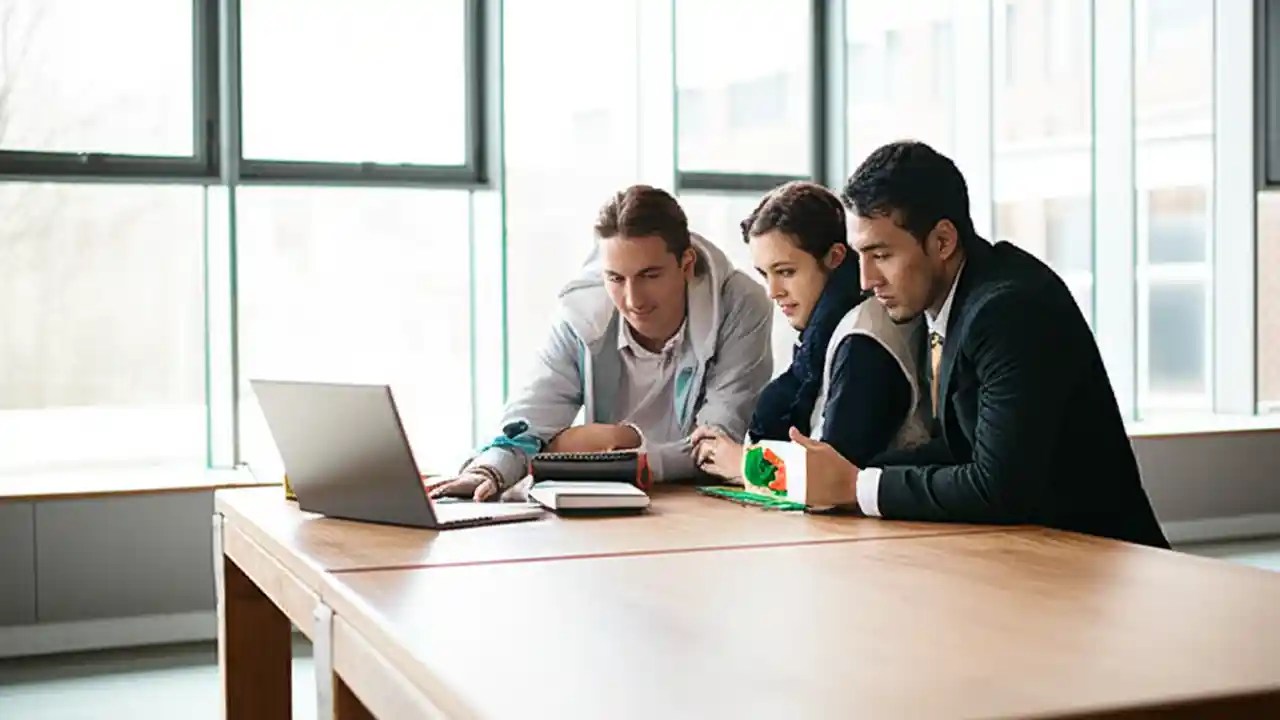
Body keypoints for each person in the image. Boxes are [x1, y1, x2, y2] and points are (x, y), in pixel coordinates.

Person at [792, 140, 1168, 549]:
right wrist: (845, 471)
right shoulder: (952, 299)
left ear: (942, 241)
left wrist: (855, 486)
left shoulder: (1009, 309)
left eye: (881, 254)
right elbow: (958, 448)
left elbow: (998, 486)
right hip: (1031, 554)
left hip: (1099, 561)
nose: (866, 280)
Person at [429, 184, 773, 501]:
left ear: (686, 264)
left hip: (702, 507)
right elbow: (530, 417)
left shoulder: (741, 304)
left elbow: (717, 447)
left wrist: (624, 446)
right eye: (615, 278)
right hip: (610, 502)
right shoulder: (582, 312)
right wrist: (490, 469)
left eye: (649, 276)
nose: (632, 299)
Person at [690, 181, 929, 481]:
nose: (773, 291)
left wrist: (745, 465)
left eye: (786, 272)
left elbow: (834, 478)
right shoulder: (830, 334)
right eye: (765, 274)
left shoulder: (863, 343)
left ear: (835, 258)